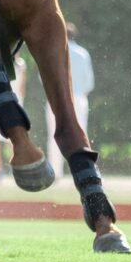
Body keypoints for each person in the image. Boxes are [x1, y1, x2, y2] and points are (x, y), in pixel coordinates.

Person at [45, 23, 94, 176]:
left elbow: (44, 78)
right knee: (82, 135)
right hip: (79, 98)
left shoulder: (53, 52)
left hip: (57, 98)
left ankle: (56, 172)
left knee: (54, 134)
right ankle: (85, 171)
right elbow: (89, 82)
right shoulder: (83, 53)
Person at [0, 55, 28, 184]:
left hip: (13, 103)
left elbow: (22, 88)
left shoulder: (21, 64)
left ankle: (15, 169)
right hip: (0, 104)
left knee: (13, 140)